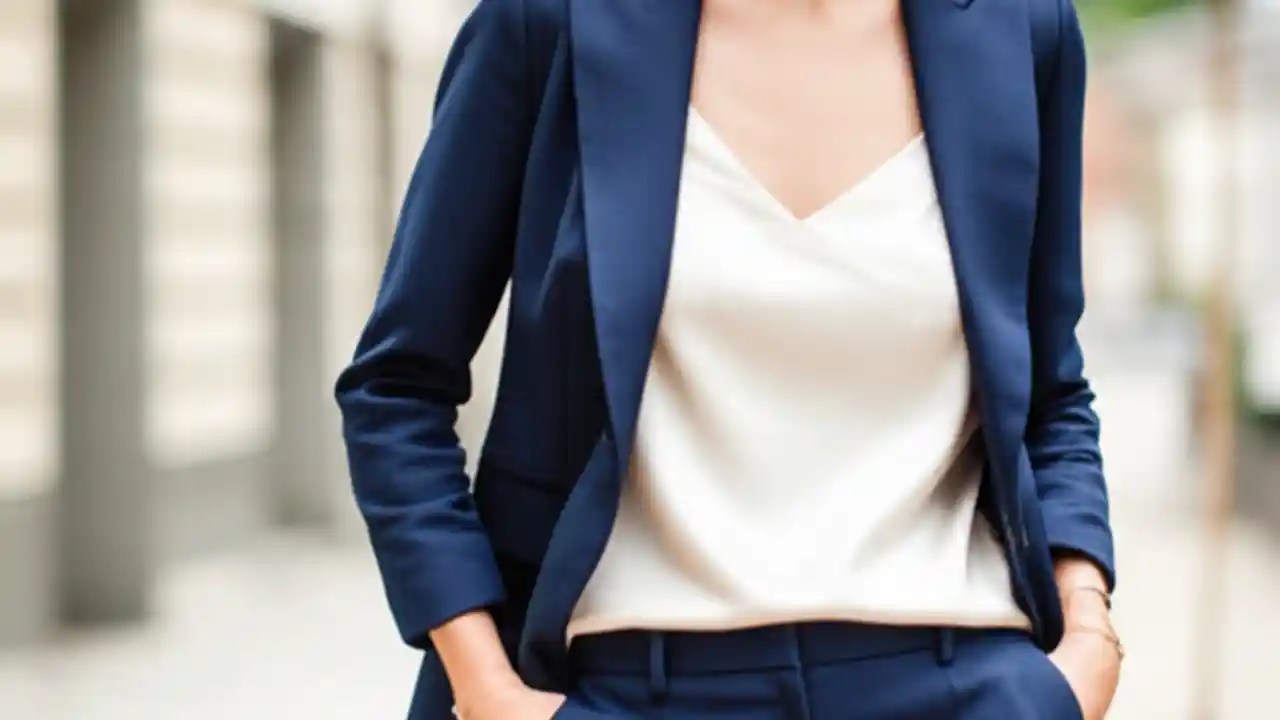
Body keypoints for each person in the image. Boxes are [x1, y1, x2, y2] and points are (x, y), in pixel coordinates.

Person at [335, 1, 1123, 718]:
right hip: (628, 684)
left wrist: (1087, 633)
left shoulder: (1019, 32)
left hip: (962, 681)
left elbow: (1050, 388)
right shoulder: (550, 25)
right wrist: (484, 686)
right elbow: (397, 387)